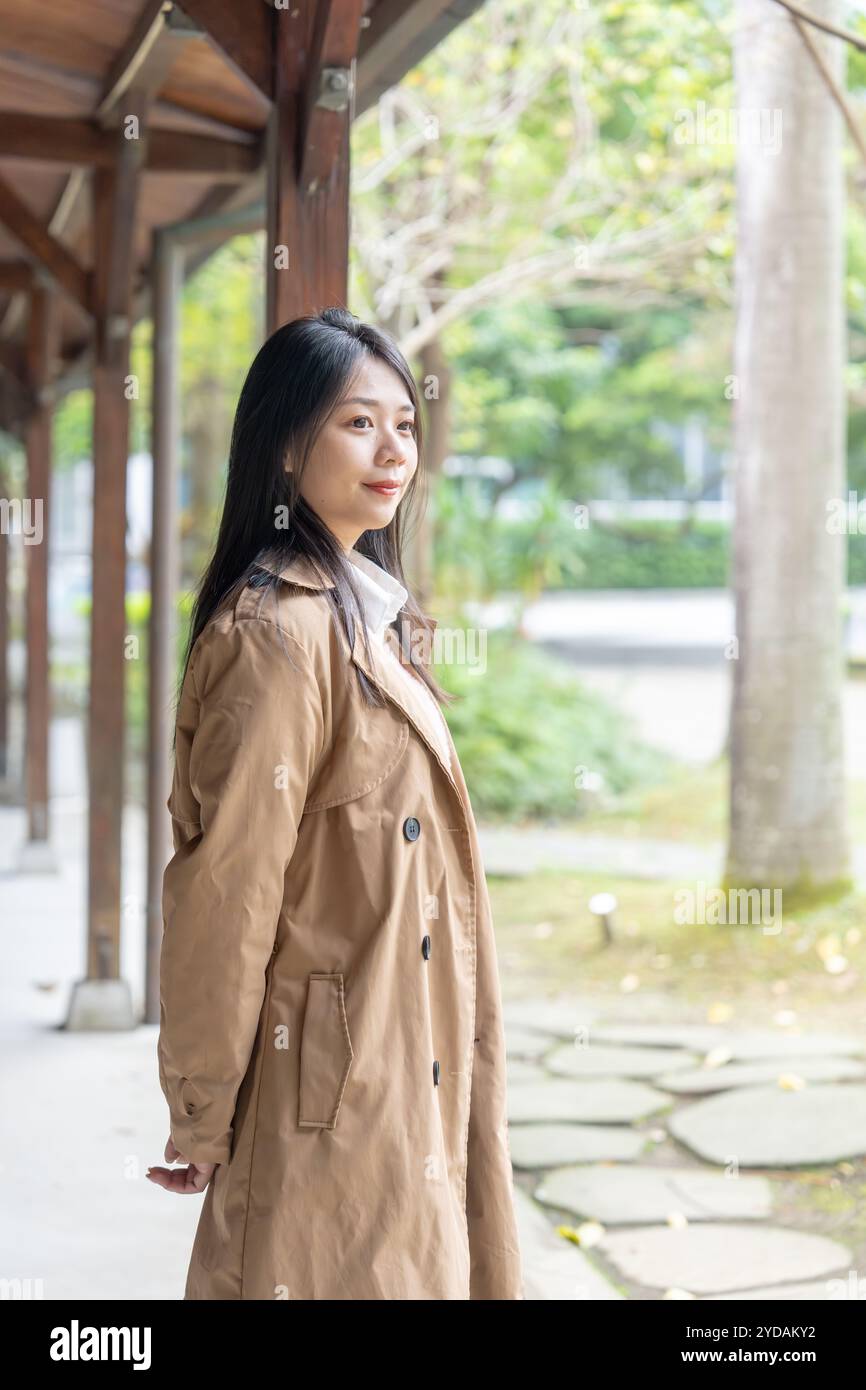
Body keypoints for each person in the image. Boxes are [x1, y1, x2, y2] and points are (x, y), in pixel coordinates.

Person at [146, 306, 524, 1301]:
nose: (391, 448)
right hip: (331, 1085)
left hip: (411, 1057)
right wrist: (201, 1106)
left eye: (404, 421)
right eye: (358, 422)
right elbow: (225, 892)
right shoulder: (277, 635)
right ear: (282, 441)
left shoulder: (365, 611)